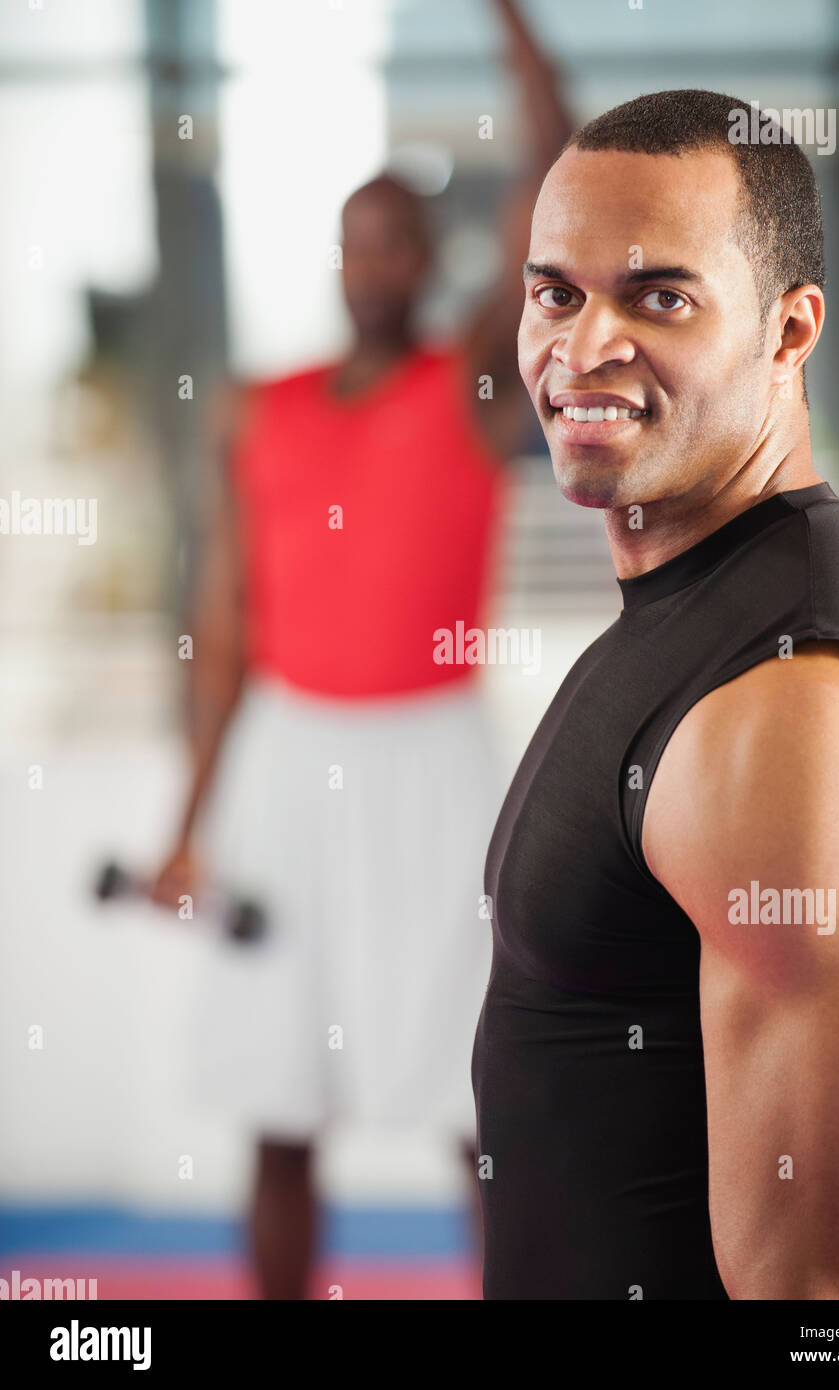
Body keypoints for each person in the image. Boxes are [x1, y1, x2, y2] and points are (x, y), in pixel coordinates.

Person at [471, 88, 839, 1300]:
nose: (583, 347)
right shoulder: (693, 612)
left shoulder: (799, 716)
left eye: (660, 297)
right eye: (556, 293)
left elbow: (832, 1311)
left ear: (792, 332)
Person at [150, 0, 570, 1300]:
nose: (374, 264)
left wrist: (509, 25)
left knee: (479, 1098)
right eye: (355, 243)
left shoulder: (471, 385)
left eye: (397, 243)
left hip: (435, 758)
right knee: (278, 1095)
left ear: (428, 257)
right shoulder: (254, 412)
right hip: (287, 755)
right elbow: (221, 634)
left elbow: (552, 183)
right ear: (335, 259)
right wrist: (189, 823)